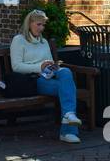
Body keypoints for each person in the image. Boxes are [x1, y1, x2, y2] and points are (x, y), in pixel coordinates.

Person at [9, 8, 82, 144]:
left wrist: (53, 67)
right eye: (38, 24)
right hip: (33, 80)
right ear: (29, 24)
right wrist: (39, 67)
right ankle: (68, 131)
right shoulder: (18, 40)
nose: (41, 28)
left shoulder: (44, 42)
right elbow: (17, 67)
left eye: (43, 25)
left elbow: (48, 63)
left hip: (48, 75)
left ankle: (68, 115)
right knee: (66, 87)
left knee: (65, 72)